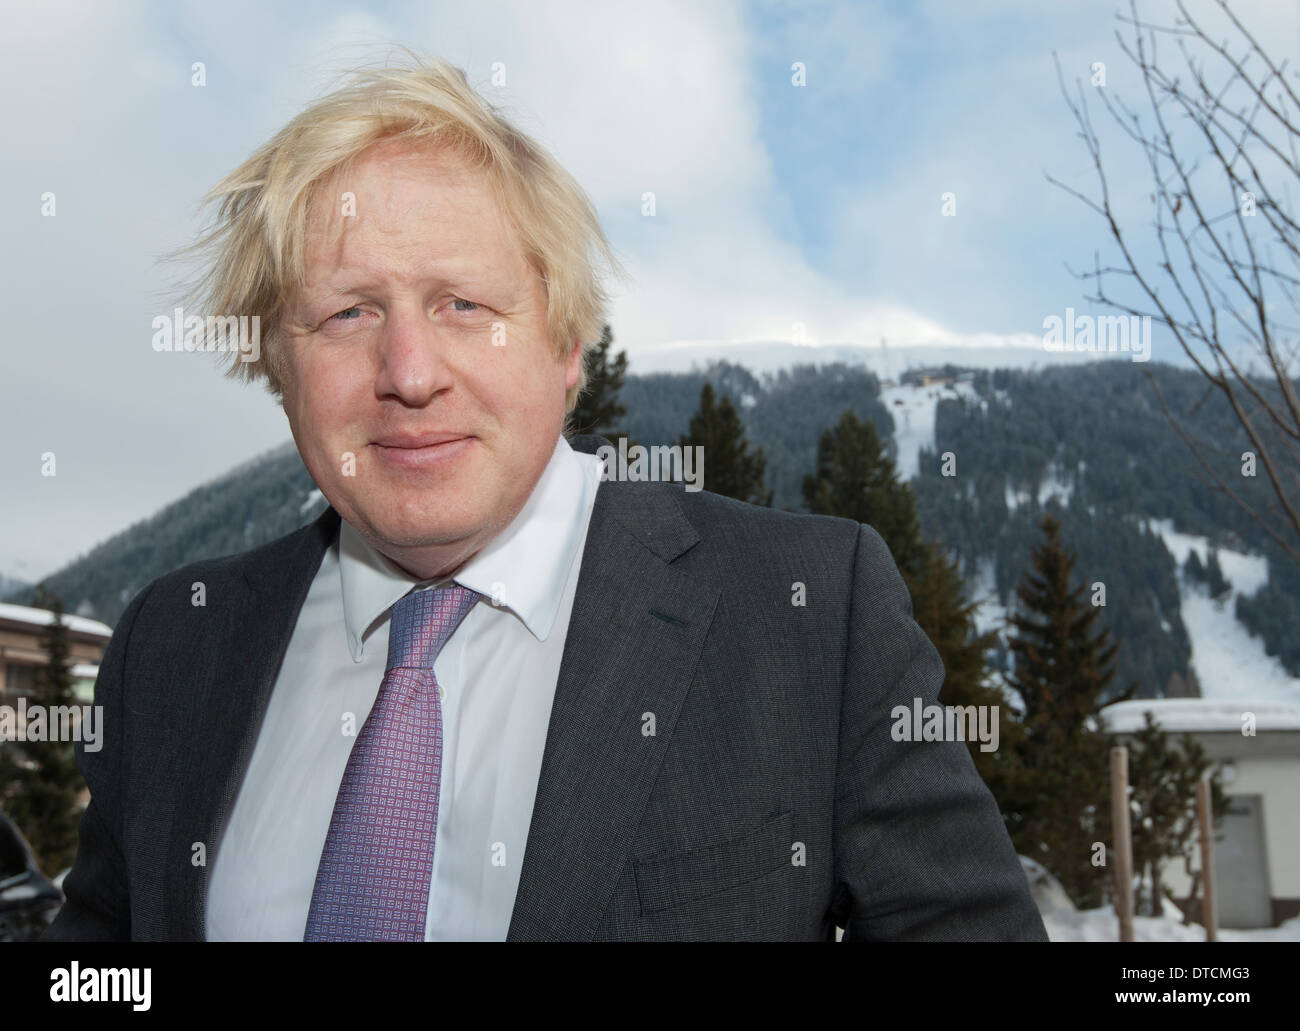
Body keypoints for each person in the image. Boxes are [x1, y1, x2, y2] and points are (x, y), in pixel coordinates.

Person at [43, 55, 1047, 942]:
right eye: (347, 313)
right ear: (276, 360)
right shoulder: (173, 643)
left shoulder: (807, 615)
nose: (409, 371)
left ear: (566, 346)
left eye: (463, 306)